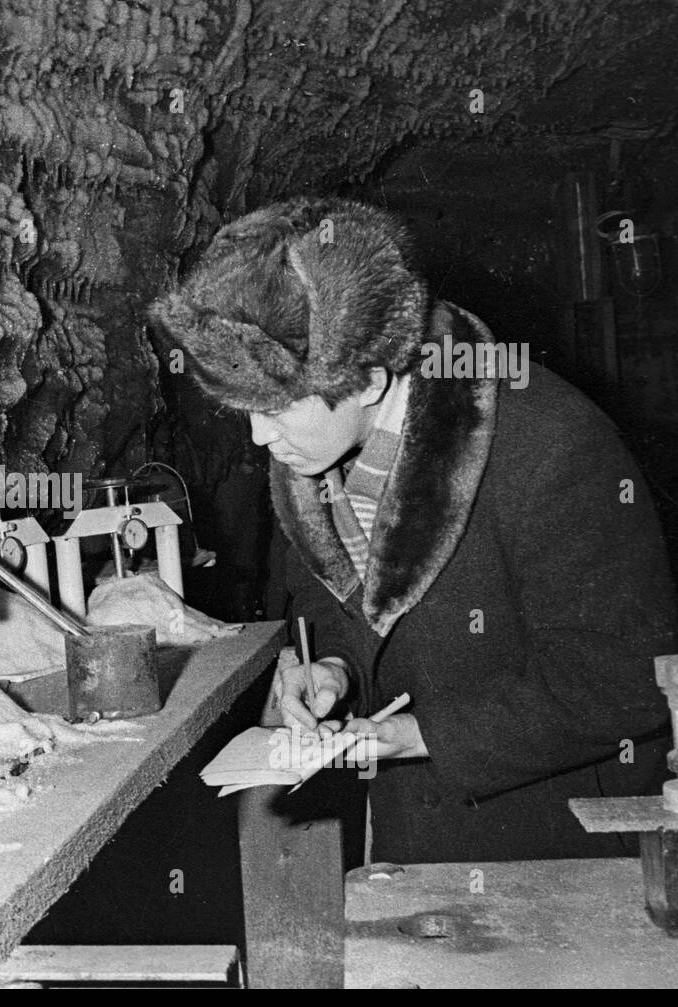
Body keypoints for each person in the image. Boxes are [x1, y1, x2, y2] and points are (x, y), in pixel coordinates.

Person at [149, 197, 678, 862]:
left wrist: (415, 734)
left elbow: (625, 681)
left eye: (276, 409)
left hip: (561, 852)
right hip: (415, 840)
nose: (258, 435)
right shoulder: (310, 441)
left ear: (369, 379)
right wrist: (334, 668)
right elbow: (338, 594)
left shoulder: (551, 443)